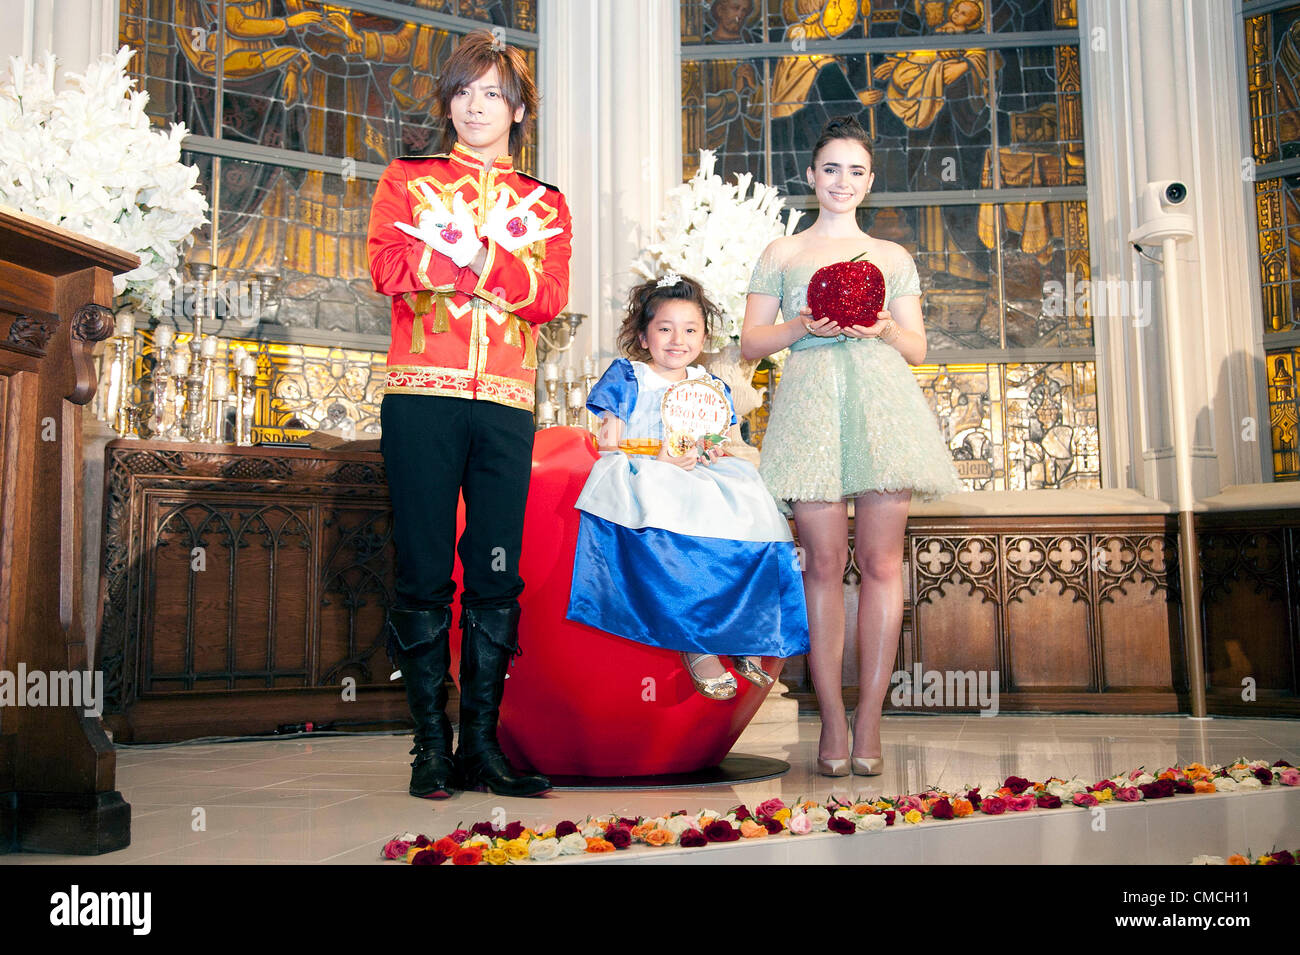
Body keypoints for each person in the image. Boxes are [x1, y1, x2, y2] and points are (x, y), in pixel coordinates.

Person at [366, 30, 572, 798]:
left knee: (494, 572)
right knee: (423, 567)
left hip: (506, 406)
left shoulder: (544, 202)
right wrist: (470, 262)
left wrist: (482, 262)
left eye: (492, 94)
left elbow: (547, 297)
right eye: (463, 92)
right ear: (448, 101)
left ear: (518, 109)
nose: (475, 106)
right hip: (423, 396)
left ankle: (481, 746)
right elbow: (386, 265)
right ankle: (428, 746)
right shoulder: (409, 178)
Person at [740, 116, 960, 776]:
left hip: (881, 404)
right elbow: (750, 343)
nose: (842, 181)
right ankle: (830, 717)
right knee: (823, 563)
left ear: (870, 180)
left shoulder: (893, 257)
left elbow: (917, 348)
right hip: (810, 405)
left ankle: (871, 717)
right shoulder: (781, 253)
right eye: (831, 168)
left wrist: (886, 325)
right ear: (811, 176)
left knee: (882, 563)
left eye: (856, 170)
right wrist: (803, 323)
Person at [566, 275, 809, 700]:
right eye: (665, 328)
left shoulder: (710, 385)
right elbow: (607, 441)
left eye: (690, 330)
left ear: (704, 337)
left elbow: (722, 438)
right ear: (643, 335)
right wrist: (656, 457)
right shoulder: (630, 376)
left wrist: (711, 451)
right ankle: (698, 646)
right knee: (676, 516)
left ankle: (746, 629)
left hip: (698, 471)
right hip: (645, 468)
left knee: (752, 504)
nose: (678, 339)